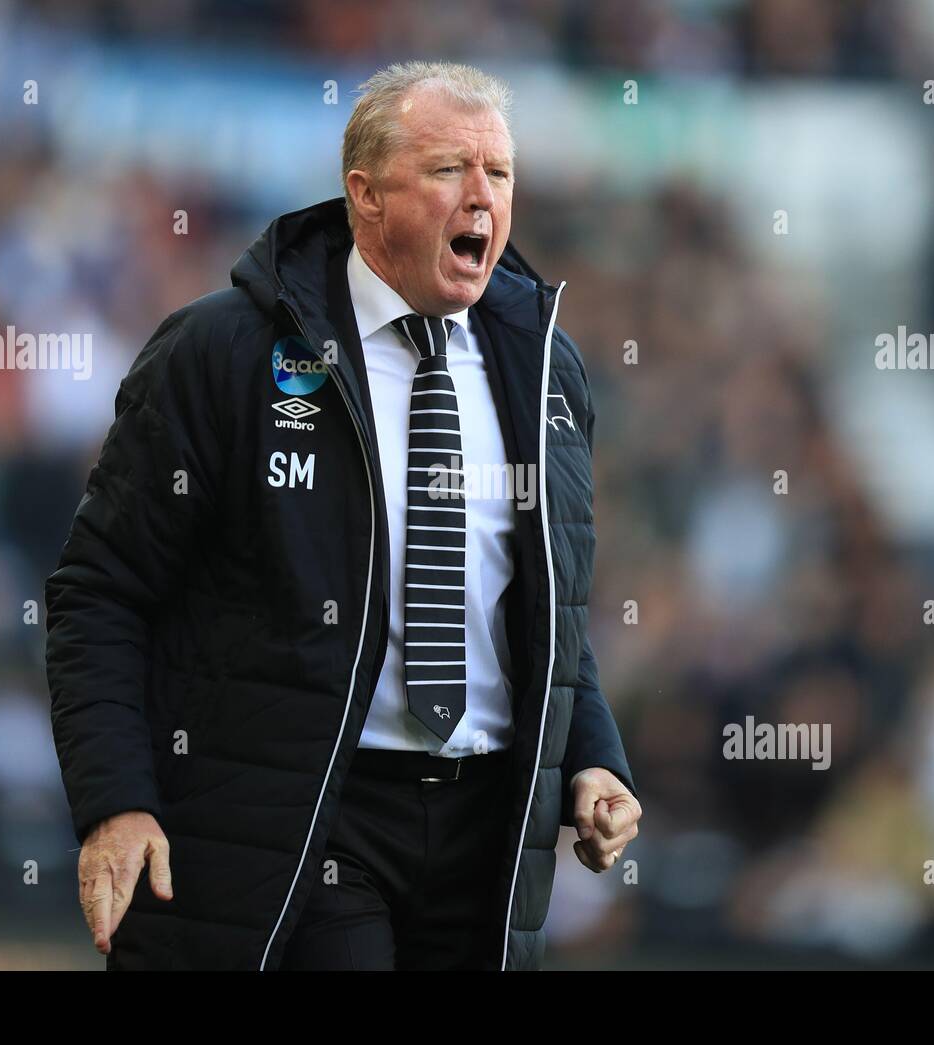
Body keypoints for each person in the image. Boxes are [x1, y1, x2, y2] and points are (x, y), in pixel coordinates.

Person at [45, 60, 640, 971]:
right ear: (365, 195)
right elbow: (101, 592)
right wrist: (116, 801)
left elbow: (546, 610)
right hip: (311, 814)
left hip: (489, 828)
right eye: (449, 170)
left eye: (500, 173)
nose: (482, 196)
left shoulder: (548, 370)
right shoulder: (225, 352)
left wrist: (593, 759)